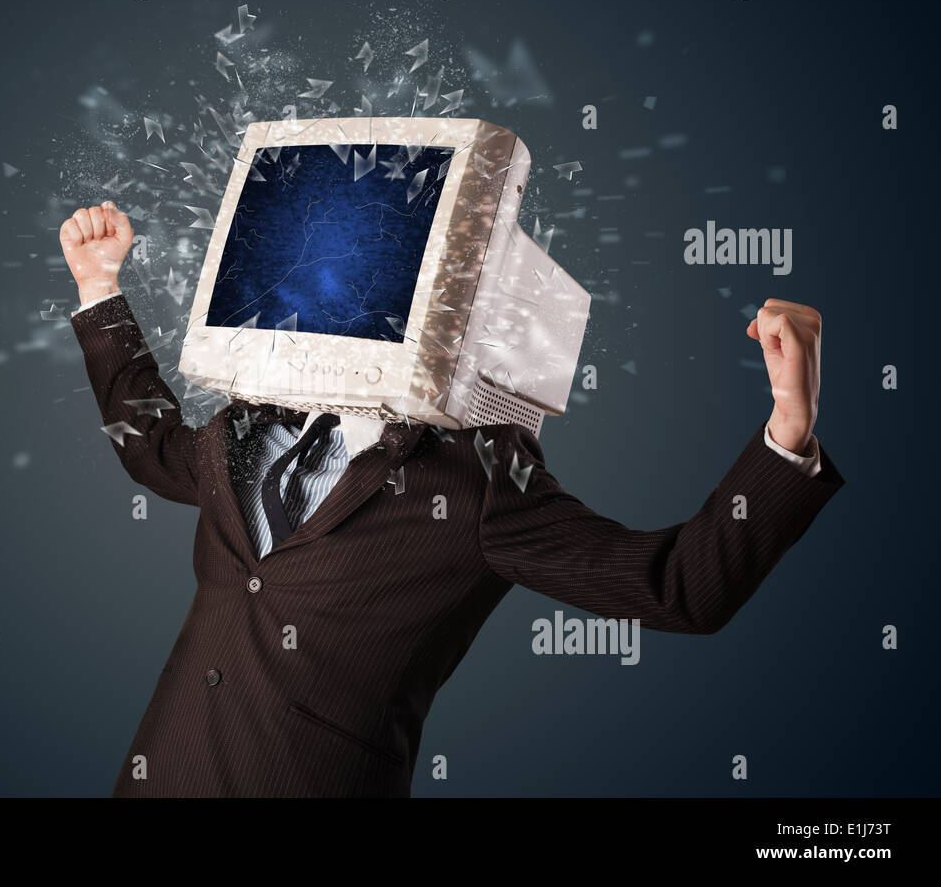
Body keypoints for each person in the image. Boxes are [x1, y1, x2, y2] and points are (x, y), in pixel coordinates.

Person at [59, 200, 845, 797]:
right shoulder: (253, 420)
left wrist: (789, 428)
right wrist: (101, 289)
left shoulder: (478, 481)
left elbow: (676, 587)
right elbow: (154, 450)